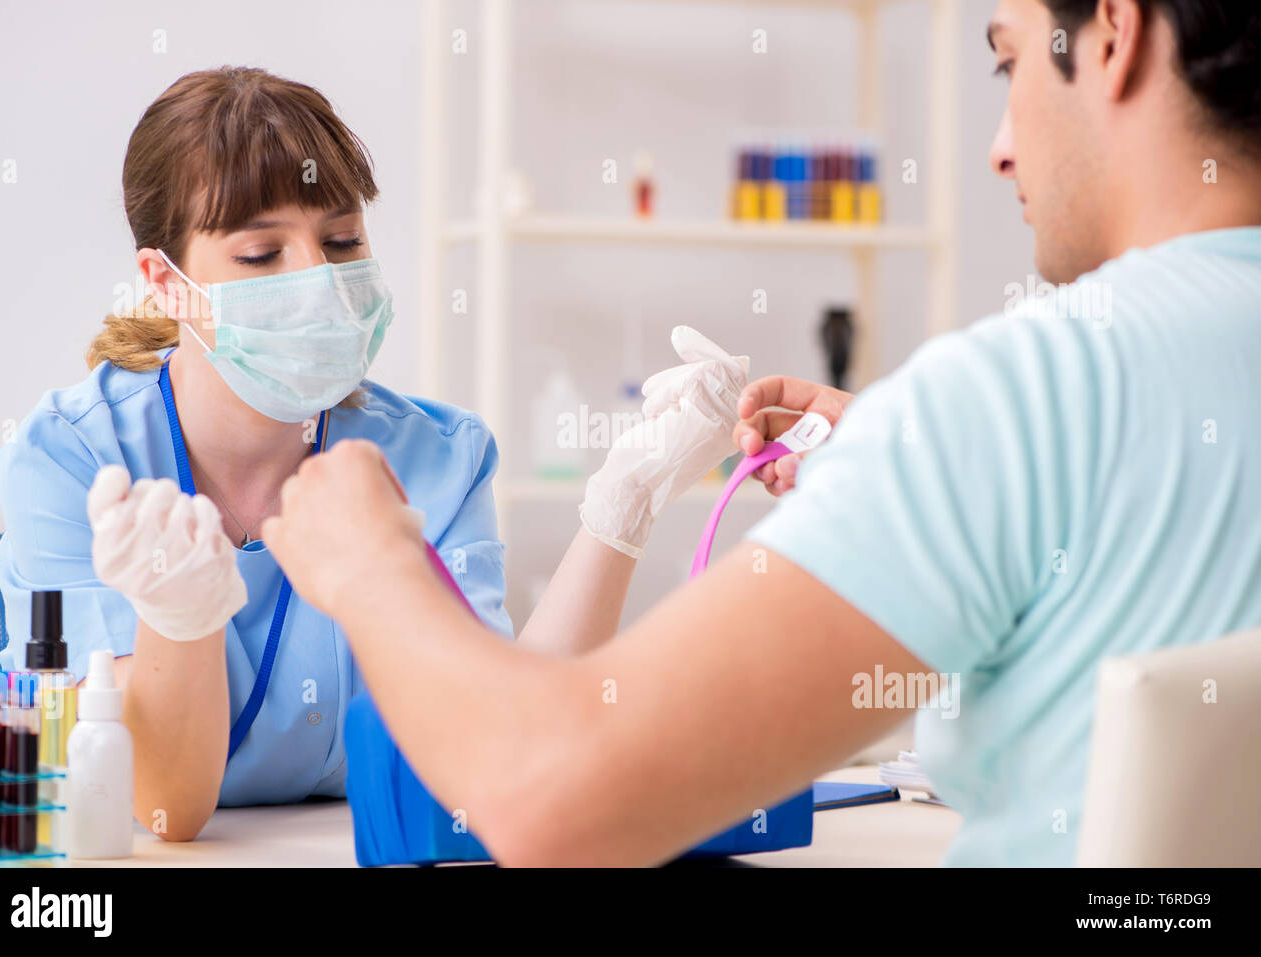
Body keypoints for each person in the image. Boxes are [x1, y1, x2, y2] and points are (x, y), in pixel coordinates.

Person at [258, 0, 1261, 865]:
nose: (998, 146)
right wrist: (911, 462)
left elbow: (550, 800)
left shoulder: (1022, 391)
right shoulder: (1029, 415)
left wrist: (371, 567)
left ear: (1113, 36)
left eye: (1006, 60)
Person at [0, 67, 748, 842]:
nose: (319, 280)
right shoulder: (73, 462)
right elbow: (165, 806)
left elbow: (507, 744)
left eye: (342, 239)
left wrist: (623, 503)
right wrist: (178, 618)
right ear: (166, 282)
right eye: (261, 254)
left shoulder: (438, 456)